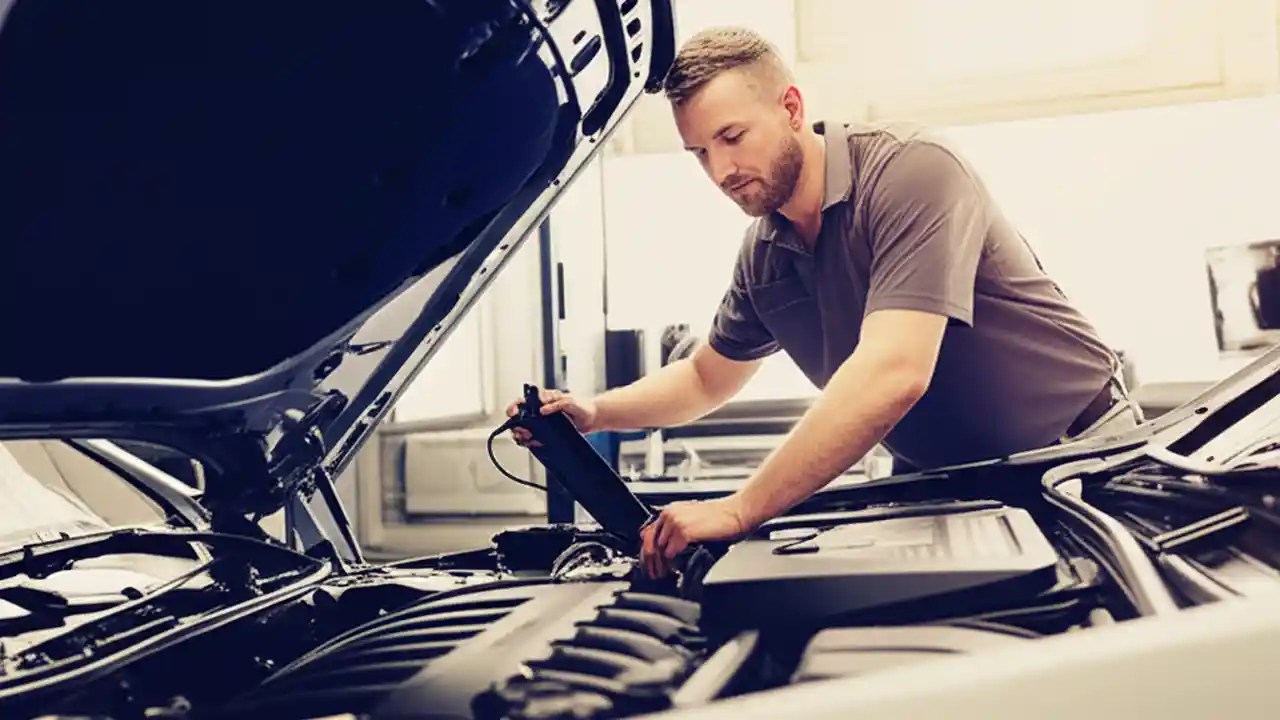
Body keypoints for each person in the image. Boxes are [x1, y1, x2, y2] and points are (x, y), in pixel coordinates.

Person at [509, 27, 1142, 579]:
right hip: (951, 487)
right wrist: (593, 413)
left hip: (1081, 459)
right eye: (700, 152)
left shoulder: (912, 173)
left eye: (732, 136)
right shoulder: (765, 252)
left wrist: (740, 507)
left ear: (790, 108)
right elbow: (706, 377)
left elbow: (894, 373)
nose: (721, 170)